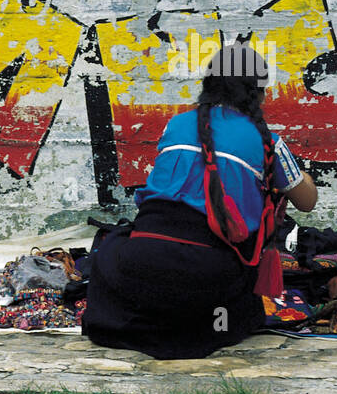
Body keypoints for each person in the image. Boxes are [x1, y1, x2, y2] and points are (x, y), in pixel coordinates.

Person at [81, 43, 317, 359]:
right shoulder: (267, 143)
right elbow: (307, 201)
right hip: (209, 273)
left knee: (112, 246)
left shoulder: (175, 124)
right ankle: (205, 325)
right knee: (236, 299)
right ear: (257, 92)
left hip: (143, 261)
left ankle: (132, 319)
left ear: (208, 84)